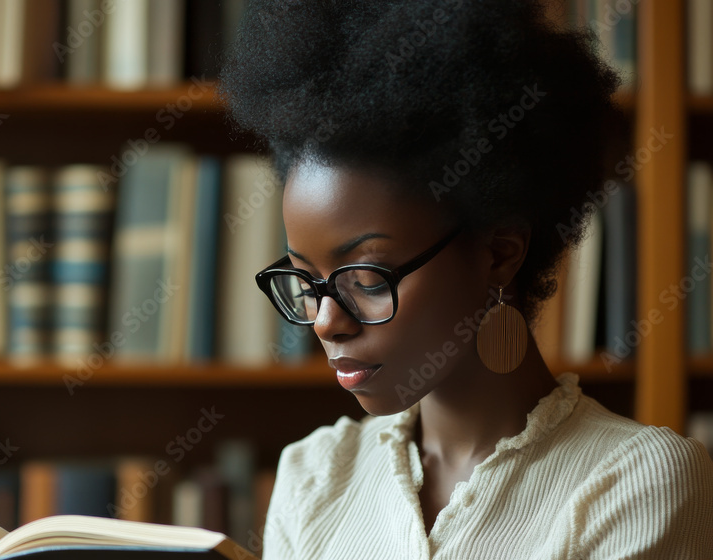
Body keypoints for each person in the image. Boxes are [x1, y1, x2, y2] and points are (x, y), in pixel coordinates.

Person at [217, 1, 713, 558]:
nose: (327, 322)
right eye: (308, 282)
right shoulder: (313, 476)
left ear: (499, 254)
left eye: (367, 278)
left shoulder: (635, 483)